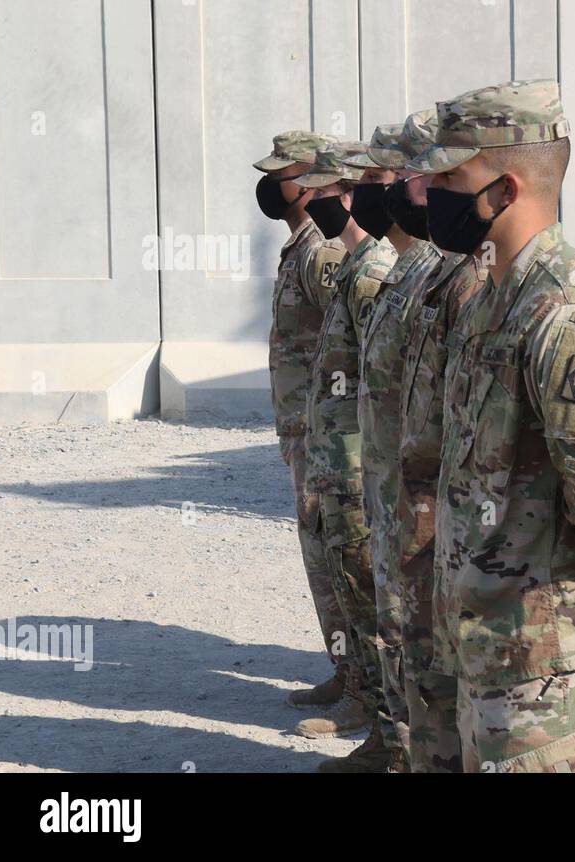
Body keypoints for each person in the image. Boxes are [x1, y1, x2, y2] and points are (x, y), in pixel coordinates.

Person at [411, 79, 575, 772]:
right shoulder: (492, 296)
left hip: (555, 660)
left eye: (448, 177)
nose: (429, 190)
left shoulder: (567, 310)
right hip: (494, 641)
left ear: (503, 189)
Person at [292, 142, 400, 771]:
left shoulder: (371, 272)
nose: (316, 203)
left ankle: (389, 735)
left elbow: (384, 386)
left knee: (372, 598)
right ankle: (371, 712)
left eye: (328, 193)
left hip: (361, 469)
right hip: (338, 463)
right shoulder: (355, 264)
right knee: (354, 594)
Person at [345, 114, 448, 767]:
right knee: (397, 633)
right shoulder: (404, 273)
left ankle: (415, 750)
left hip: (428, 505)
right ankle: (393, 741)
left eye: (388, 179)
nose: (370, 194)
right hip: (390, 492)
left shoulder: (445, 278)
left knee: (430, 644)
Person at [394, 118, 490, 773]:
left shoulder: (482, 281)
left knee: (455, 667)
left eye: (439, 175)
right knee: (428, 660)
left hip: (460, 516)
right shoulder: (443, 273)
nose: (419, 187)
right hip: (429, 504)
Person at [252, 131, 352, 714]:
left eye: (282, 173)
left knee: (340, 558)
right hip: (307, 432)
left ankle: (367, 690)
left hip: (328, 437)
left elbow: (359, 343)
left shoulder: (323, 251)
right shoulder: (302, 245)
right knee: (323, 557)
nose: (270, 186)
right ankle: (349, 673)